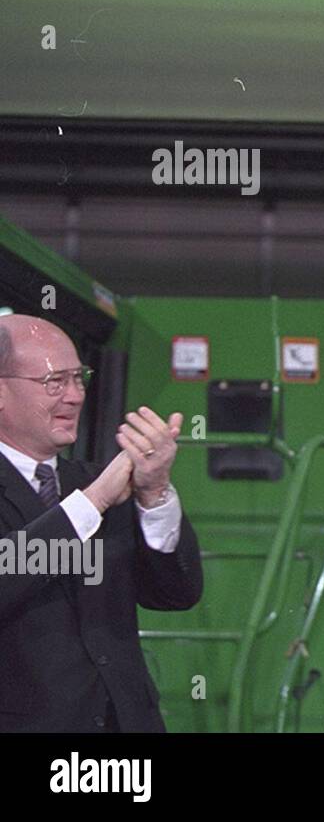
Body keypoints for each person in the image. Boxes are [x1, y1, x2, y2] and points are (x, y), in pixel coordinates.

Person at [0, 314, 203, 732]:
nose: (75, 396)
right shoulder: (99, 492)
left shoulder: (98, 483)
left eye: (80, 378)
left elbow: (175, 593)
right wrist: (92, 502)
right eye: (55, 382)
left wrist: (155, 494)